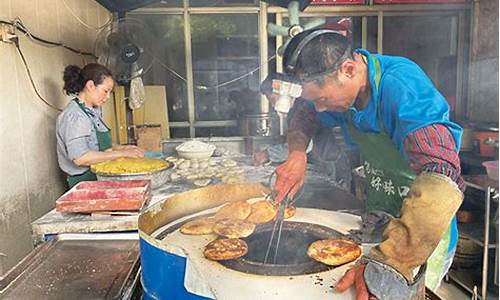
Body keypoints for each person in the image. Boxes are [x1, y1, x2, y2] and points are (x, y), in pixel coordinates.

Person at [274, 29, 464, 299]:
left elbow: (443, 175)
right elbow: (304, 114)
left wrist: (389, 264)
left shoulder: (401, 86)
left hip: (418, 236)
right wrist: (297, 154)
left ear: (348, 70)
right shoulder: (343, 92)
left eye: (322, 99)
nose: (319, 109)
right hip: (376, 221)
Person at [255, 73, 355, 190]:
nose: (272, 105)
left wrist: (267, 154)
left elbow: (306, 146)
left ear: (283, 90)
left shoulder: (305, 107)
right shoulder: (295, 109)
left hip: (332, 167)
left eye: (271, 98)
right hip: (321, 165)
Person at [56, 63, 144, 188]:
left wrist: (120, 148)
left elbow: (95, 144)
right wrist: (122, 154)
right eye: (106, 91)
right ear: (90, 85)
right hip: (85, 182)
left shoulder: (91, 112)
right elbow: (81, 158)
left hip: (99, 176)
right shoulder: (75, 116)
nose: (108, 97)